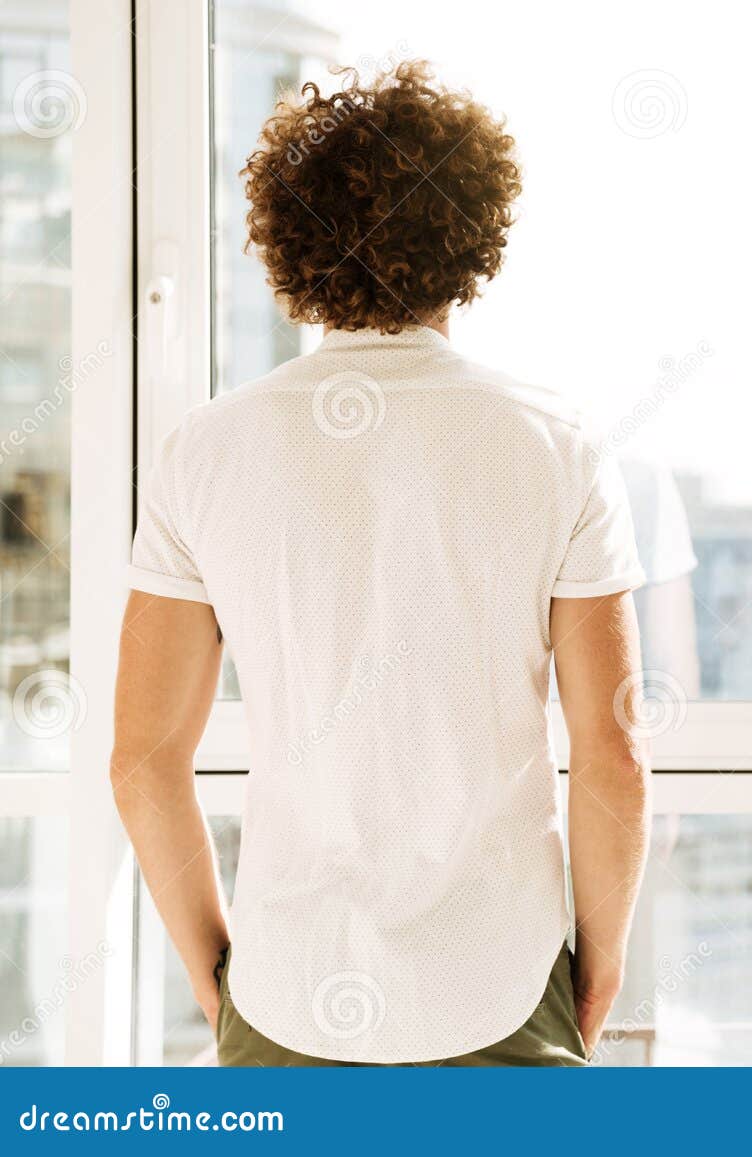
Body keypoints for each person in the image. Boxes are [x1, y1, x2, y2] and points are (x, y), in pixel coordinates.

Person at [110, 61, 651, 1066]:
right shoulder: (556, 445)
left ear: (289, 241)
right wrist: (602, 958)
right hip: (501, 987)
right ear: (473, 233)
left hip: (285, 991)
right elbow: (611, 748)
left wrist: (212, 967)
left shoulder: (203, 452)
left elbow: (142, 759)